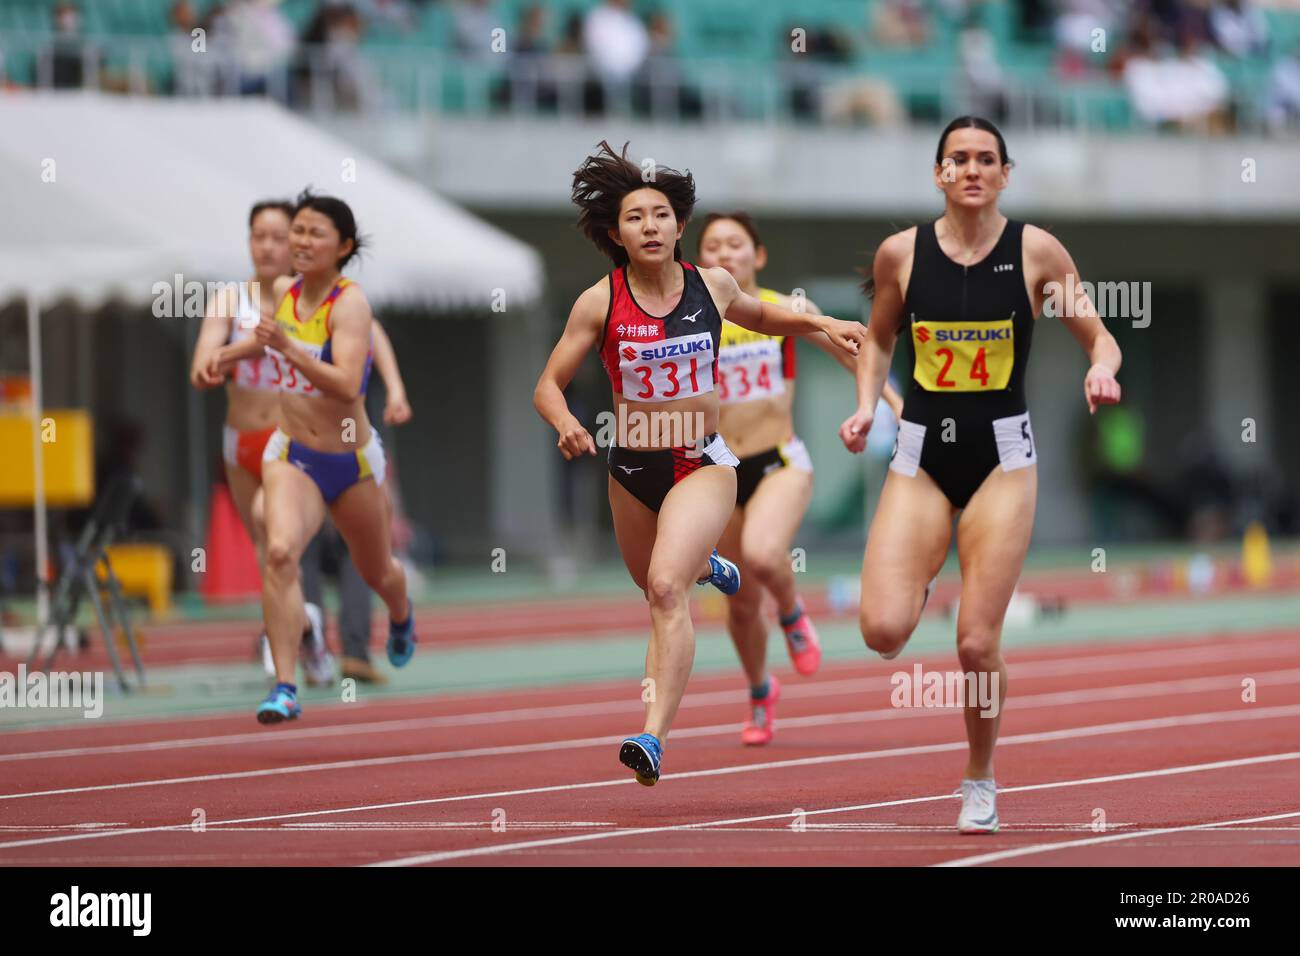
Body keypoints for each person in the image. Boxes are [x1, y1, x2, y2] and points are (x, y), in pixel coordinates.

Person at [533, 141, 865, 785]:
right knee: (652, 584)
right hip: (631, 470)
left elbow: (766, 316)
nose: (650, 226)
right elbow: (547, 384)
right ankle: (707, 563)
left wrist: (824, 322)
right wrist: (566, 421)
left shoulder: (711, 285)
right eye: (635, 218)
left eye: (661, 214)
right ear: (616, 233)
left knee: (664, 589)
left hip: (702, 464)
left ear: (680, 226)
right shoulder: (598, 303)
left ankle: (652, 738)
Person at [839, 116, 1122, 832]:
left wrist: (1101, 370)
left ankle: (979, 776)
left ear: (1004, 174)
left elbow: (1098, 332)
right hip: (920, 451)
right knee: (881, 630)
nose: (971, 168)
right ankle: (925, 560)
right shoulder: (900, 255)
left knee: (974, 642)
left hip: (1002, 456)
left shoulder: (1037, 252)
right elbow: (875, 342)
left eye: (985, 159)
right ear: (938, 174)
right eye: (957, 158)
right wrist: (866, 407)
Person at [208, 190, 415, 723]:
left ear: (342, 246)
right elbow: (268, 340)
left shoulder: (350, 303)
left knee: (378, 571)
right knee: (278, 553)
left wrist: (292, 350)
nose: (299, 241)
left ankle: (399, 612)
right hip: (292, 453)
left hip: (350, 460)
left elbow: (346, 384)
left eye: (312, 232)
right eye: (295, 230)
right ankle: (285, 684)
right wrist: (226, 355)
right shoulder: (284, 289)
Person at [696, 211, 902, 745]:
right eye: (713, 245)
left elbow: (850, 355)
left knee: (765, 555)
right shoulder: (691, 317)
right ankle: (761, 691)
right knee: (738, 601)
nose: (724, 254)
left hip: (778, 460)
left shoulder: (787, 308)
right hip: (717, 470)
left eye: (735, 244)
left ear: (757, 255)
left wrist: (896, 406)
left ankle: (790, 613)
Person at [191, 200, 335, 687]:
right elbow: (202, 363)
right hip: (238, 443)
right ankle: (308, 627)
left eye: (278, 237)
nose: (268, 246)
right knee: (269, 557)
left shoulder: (306, 299)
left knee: (273, 540)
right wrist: (210, 364)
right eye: (259, 236)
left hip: (287, 443)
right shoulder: (230, 301)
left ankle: (285, 647)